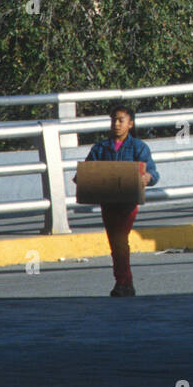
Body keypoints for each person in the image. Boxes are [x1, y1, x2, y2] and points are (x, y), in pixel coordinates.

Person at [83, 105, 159, 297]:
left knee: (119, 239)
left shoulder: (139, 147)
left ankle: (122, 282)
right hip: (108, 202)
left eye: (121, 120)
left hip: (127, 202)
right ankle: (126, 283)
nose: (116, 124)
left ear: (130, 124)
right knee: (115, 241)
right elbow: (87, 170)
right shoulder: (100, 148)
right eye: (114, 120)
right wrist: (82, 177)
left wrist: (147, 178)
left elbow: (153, 172)